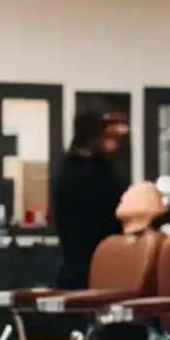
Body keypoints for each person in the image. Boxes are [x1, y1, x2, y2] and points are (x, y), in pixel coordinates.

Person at [51, 109, 129, 289]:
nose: (114, 145)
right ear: (93, 135)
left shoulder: (69, 167)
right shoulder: (87, 174)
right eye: (108, 137)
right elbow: (118, 210)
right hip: (91, 269)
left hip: (75, 268)